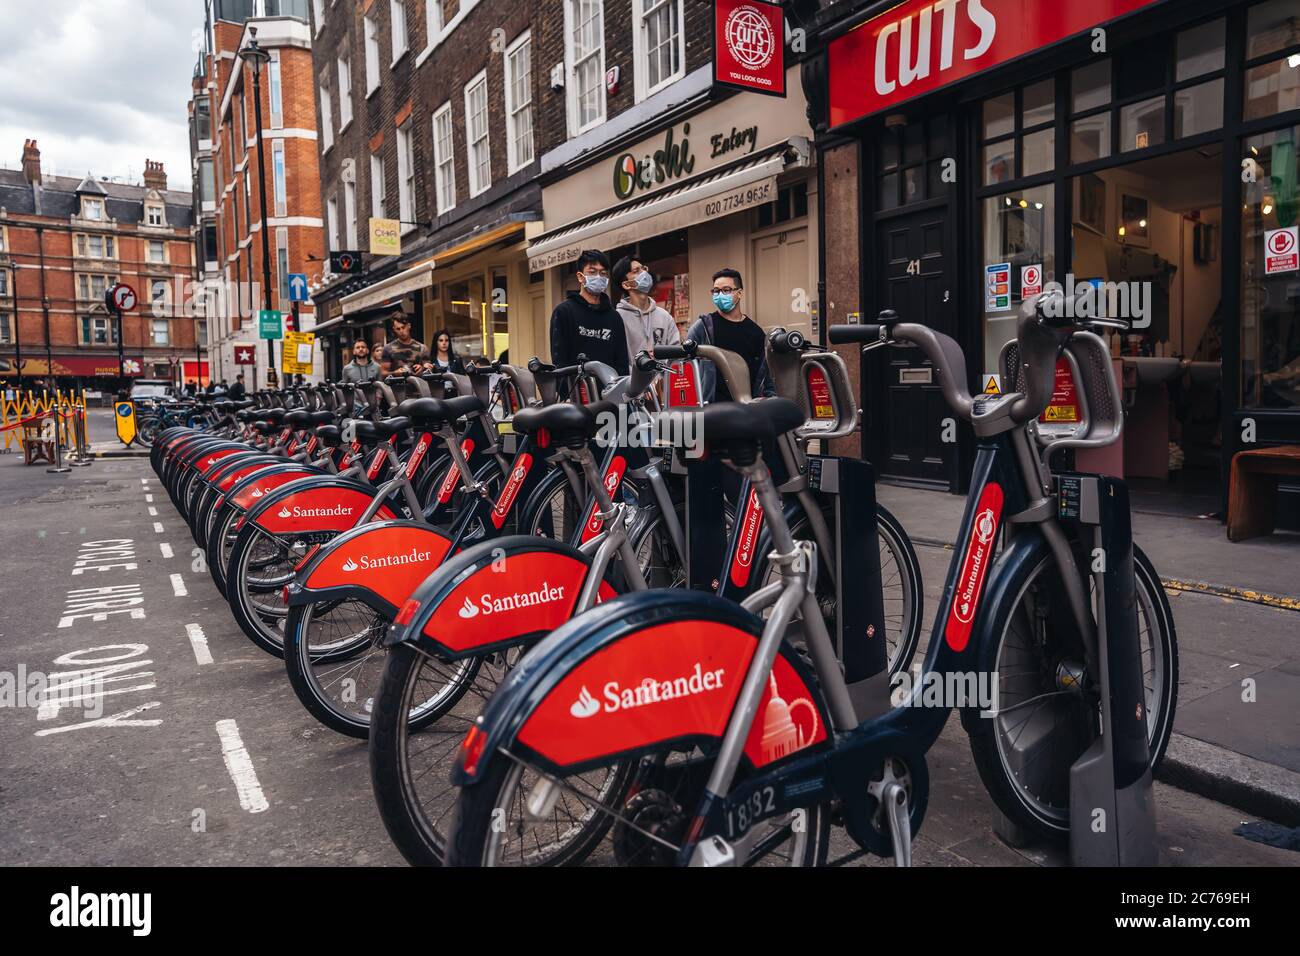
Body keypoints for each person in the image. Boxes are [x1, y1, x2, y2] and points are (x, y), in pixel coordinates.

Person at [685, 268, 773, 403]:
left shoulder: (755, 333)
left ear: (739, 293)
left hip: (745, 409)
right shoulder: (703, 327)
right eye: (716, 291)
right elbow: (685, 368)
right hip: (711, 409)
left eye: (726, 290)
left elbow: (764, 375)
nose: (720, 295)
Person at [548, 249, 629, 375]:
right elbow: (560, 361)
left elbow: (622, 362)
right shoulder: (564, 312)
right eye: (592, 272)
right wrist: (566, 392)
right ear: (580, 277)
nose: (598, 277)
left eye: (603, 273)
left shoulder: (614, 317)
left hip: (609, 390)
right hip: (576, 390)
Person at [612, 256, 680, 362]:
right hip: (632, 378)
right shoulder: (617, 318)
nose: (644, 273)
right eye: (636, 271)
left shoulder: (664, 316)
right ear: (626, 285)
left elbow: (676, 353)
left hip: (664, 377)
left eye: (644, 268)